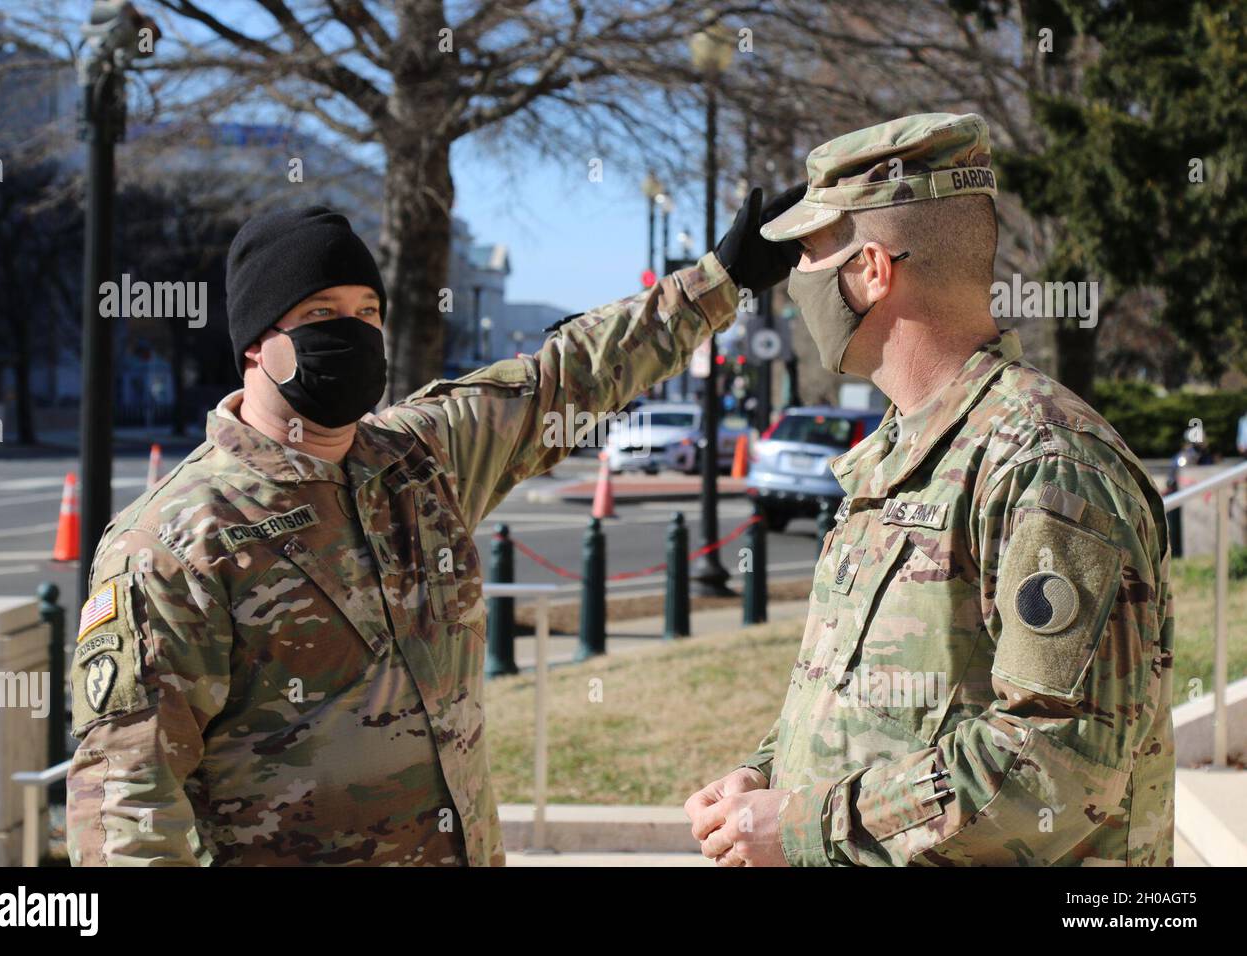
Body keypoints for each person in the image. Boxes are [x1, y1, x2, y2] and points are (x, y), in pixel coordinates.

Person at [65, 197, 800, 866]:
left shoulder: (421, 460)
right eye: (322, 315)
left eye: (368, 312)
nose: (352, 331)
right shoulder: (175, 540)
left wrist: (722, 280)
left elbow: (567, 374)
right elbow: (128, 807)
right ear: (259, 342)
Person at [684, 113, 1174, 867]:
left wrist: (804, 827)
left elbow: (1059, 762)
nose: (794, 282)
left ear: (872, 270)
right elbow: (863, 693)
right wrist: (769, 775)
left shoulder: (1044, 463)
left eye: (811, 255)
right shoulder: (899, 449)